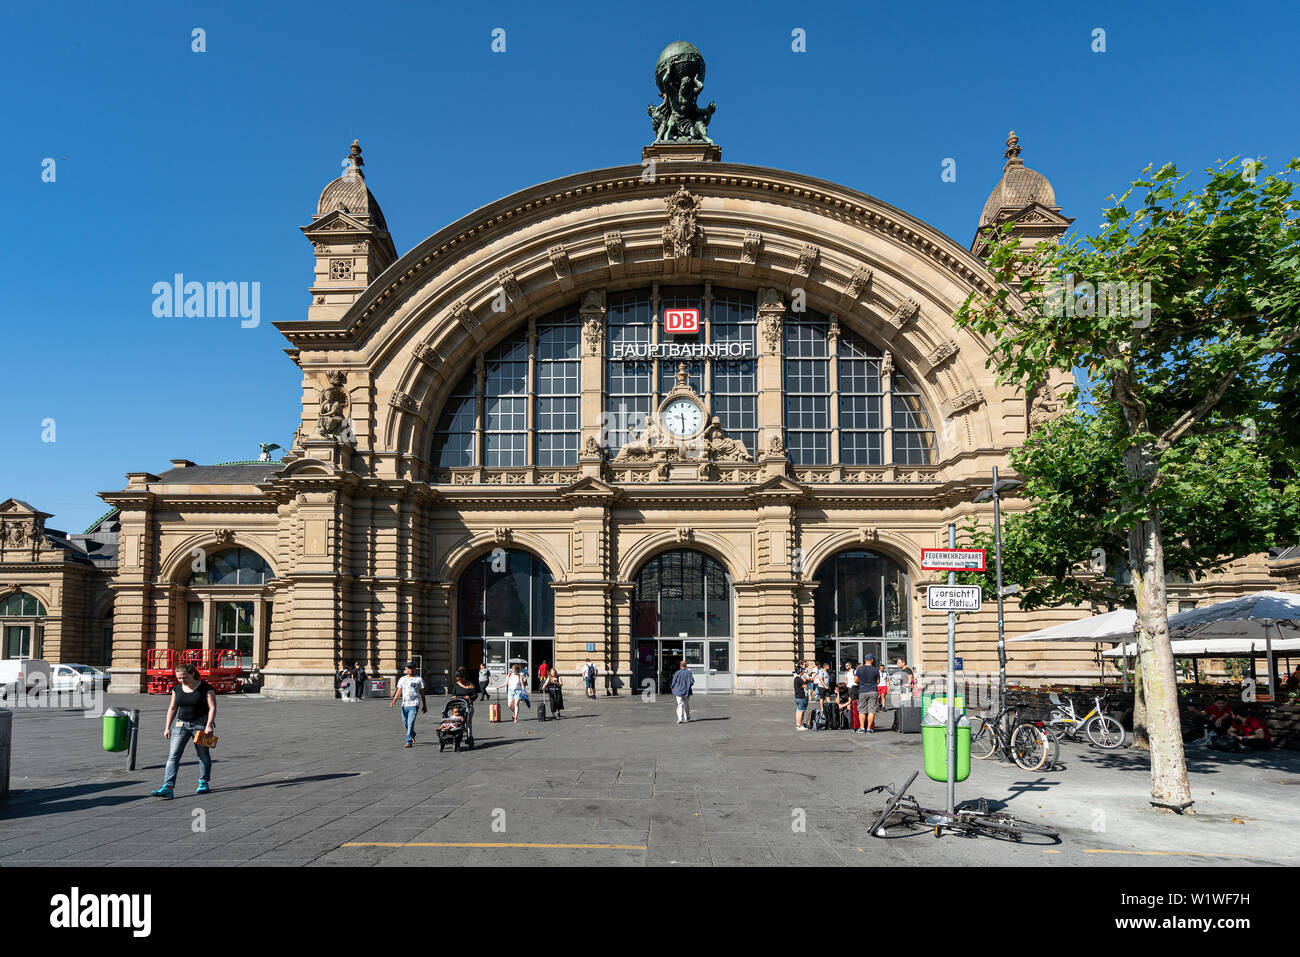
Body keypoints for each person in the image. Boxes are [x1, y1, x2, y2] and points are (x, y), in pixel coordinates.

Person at [152, 663, 217, 798]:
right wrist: (167, 727)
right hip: (180, 725)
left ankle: (204, 781)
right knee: (173, 755)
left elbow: (212, 708)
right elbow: (173, 708)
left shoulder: (206, 689)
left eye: (184, 677)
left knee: (203, 754)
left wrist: (209, 725)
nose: (182, 680)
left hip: (201, 725)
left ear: (192, 674)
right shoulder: (177, 689)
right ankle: (168, 787)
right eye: (179, 678)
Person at [388, 662, 426, 748]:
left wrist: (424, 705)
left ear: (415, 668)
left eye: (412, 668)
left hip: (414, 704)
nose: (410, 669)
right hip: (404, 704)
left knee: (410, 723)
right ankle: (413, 733)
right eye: (409, 668)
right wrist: (394, 700)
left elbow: (422, 693)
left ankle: (408, 741)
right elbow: (399, 691)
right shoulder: (402, 679)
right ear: (406, 669)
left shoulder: (419, 679)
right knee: (405, 723)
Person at [854, 655, 881, 733]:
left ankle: (862, 728)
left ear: (865, 660)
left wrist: (861, 682)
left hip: (863, 691)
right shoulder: (876, 670)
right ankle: (869, 729)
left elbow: (855, 680)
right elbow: (878, 681)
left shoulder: (860, 669)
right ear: (872, 660)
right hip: (873, 690)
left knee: (862, 710)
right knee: (871, 710)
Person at [451, 667, 477, 744]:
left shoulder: (470, 684)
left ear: (463, 678)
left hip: (467, 705)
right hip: (457, 705)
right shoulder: (456, 685)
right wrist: (456, 697)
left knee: (468, 721)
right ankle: (453, 733)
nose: (458, 681)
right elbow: (453, 695)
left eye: (459, 679)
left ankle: (469, 736)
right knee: (452, 718)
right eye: (457, 679)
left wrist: (470, 698)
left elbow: (475, 695)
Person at [670, 658, 694, 723]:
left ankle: (680, 719)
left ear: (680, 666)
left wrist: (672, 688)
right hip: (687, 691)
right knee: (686, 705)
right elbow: (692, 682)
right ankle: (687, 718)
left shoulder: (677, 673)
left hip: (678, 691)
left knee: (680, 705)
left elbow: (673, 682)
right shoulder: (689, 673)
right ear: (685, 666)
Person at [793, 661, 809, 730]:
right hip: (801, 696)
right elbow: (806, 687)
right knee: (801, 711)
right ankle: (800, 725)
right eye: (802, 670)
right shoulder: (800, 679)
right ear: (801, 671)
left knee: (799, 710)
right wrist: (806, 681)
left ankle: (798, 724)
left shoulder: (796, 679)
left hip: (797, 697)